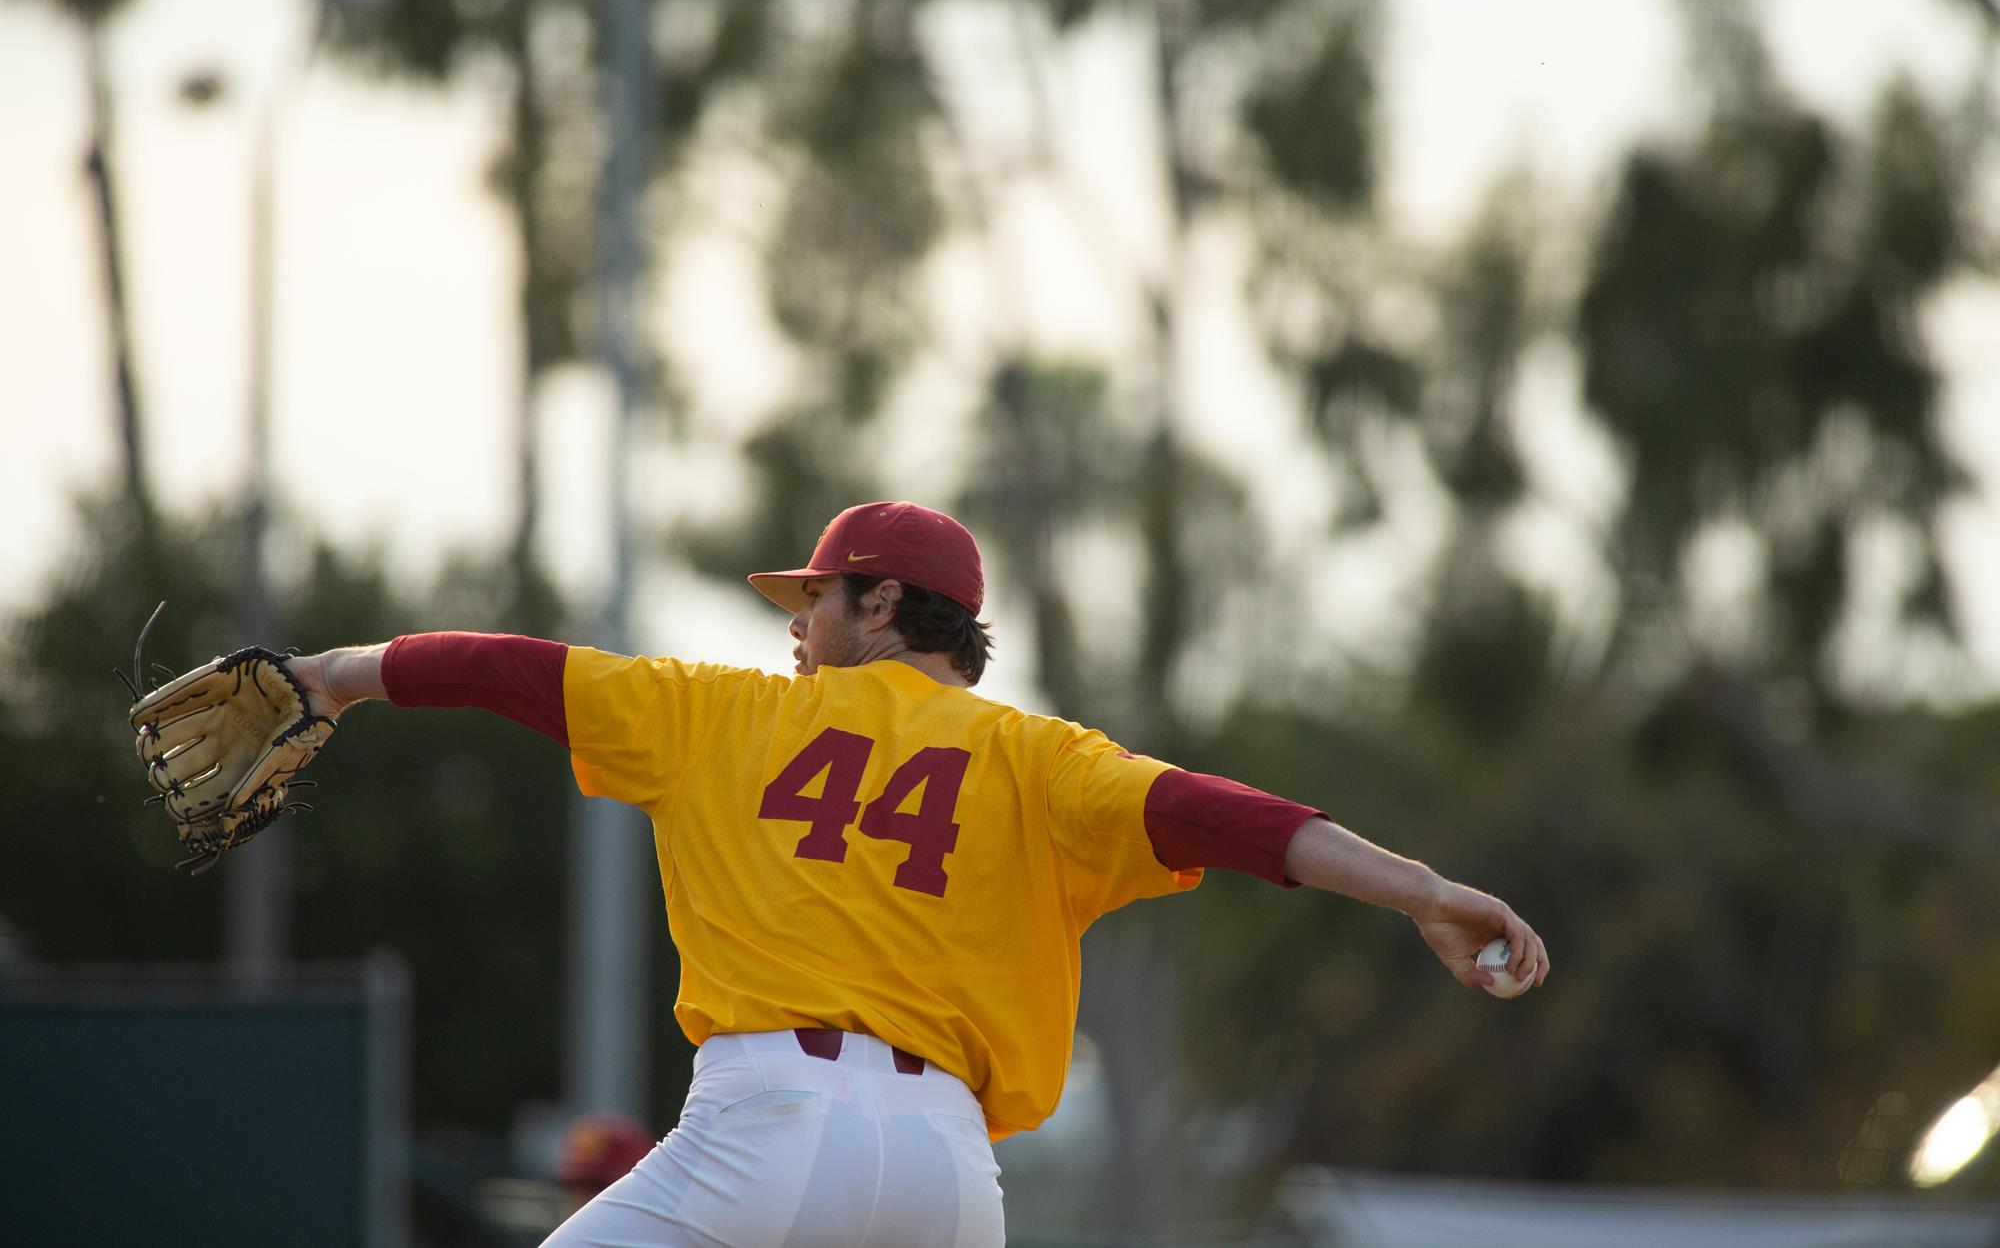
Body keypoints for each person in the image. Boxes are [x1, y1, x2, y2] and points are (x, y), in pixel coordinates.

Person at [284, 500, 1549, 1247]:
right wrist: (1425, 890)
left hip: (766, 1125)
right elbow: (1230, 817)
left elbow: (498, 663)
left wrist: (330, 675)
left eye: (817, 596)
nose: (796, 621)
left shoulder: (715, 713)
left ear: (880, 604)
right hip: (947, 1171)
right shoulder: (1041, 757)